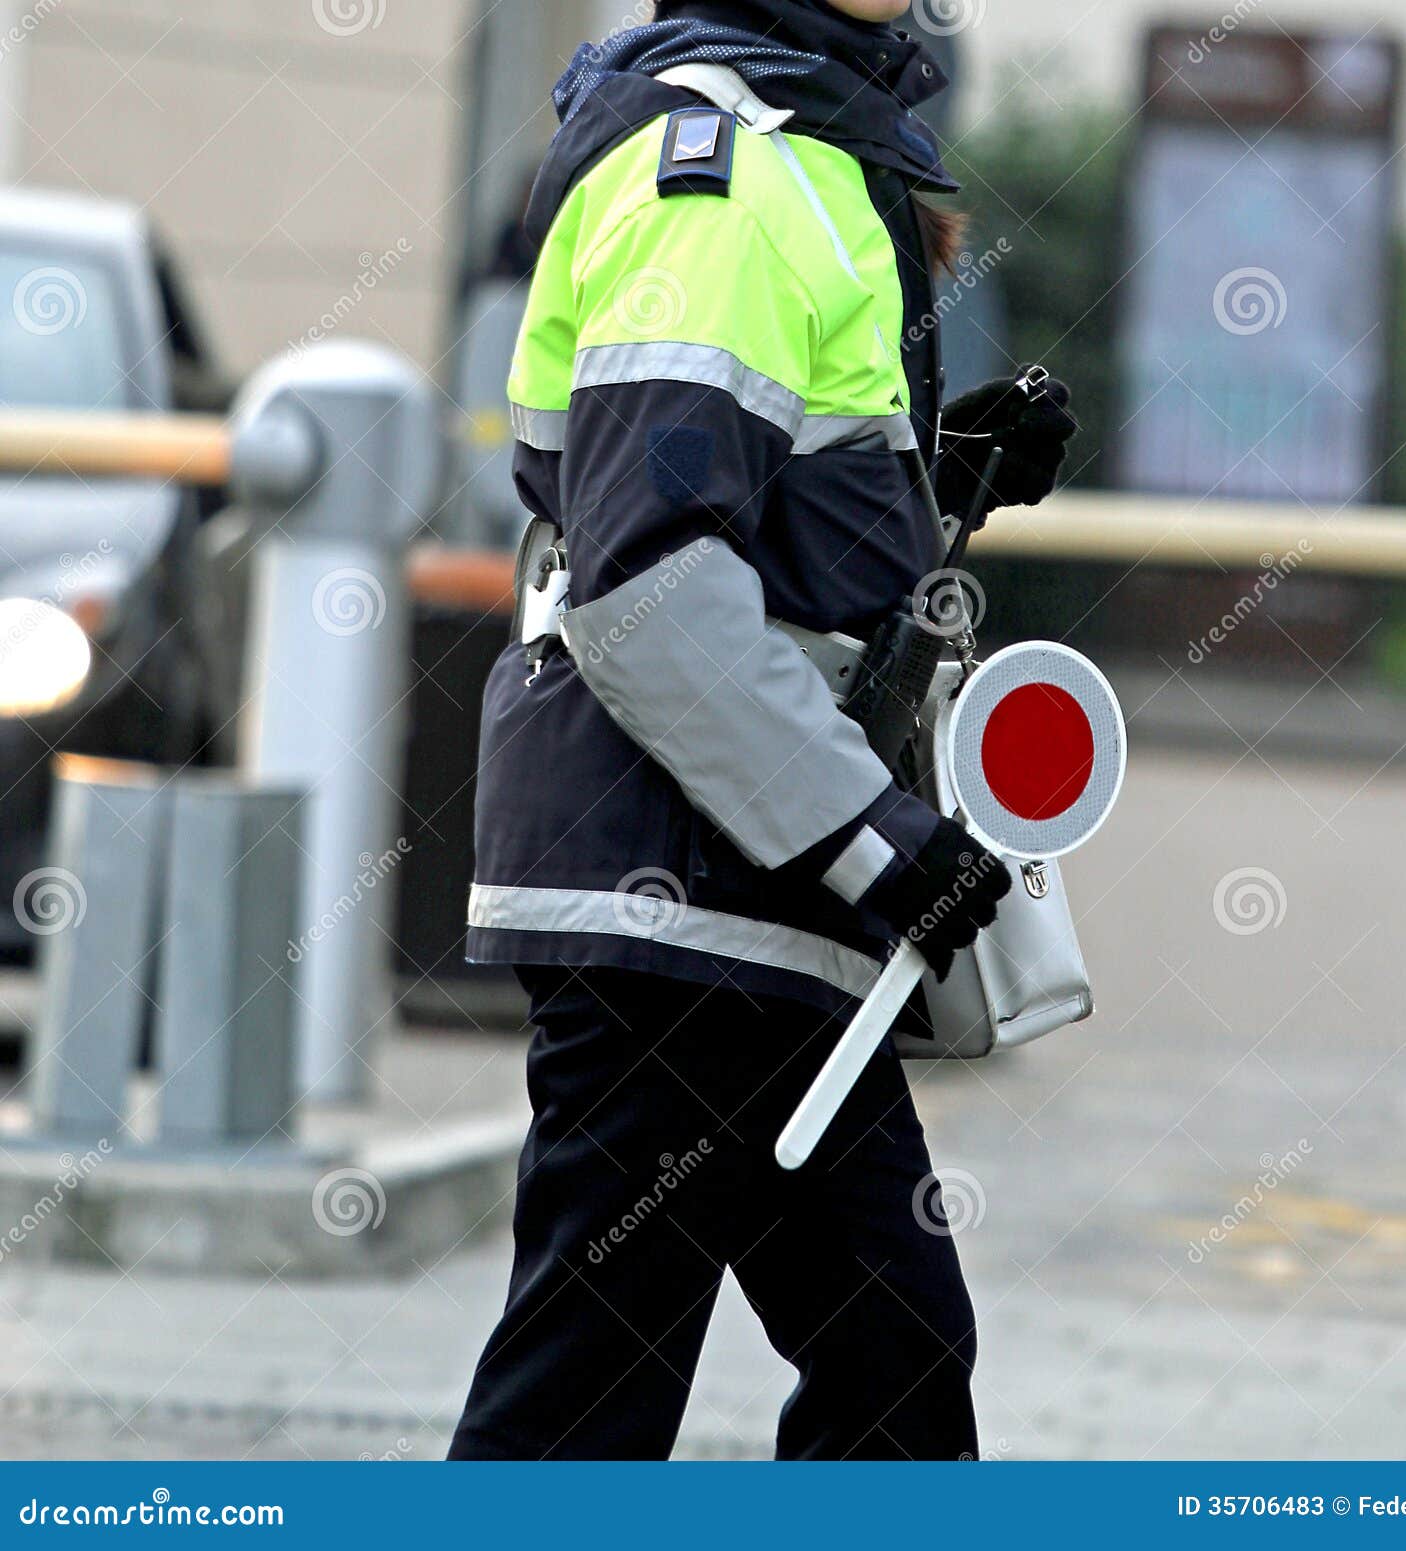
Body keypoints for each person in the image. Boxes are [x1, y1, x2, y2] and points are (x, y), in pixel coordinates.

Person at [450, 0, 1077, 1461]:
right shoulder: (723, 170)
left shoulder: (805, 142)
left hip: (738, 896)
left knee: (889, 1368)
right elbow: (652, 591)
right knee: (601, 1401)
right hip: (686, 899)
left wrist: (945, 469)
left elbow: (745, 502)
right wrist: (882, 846)